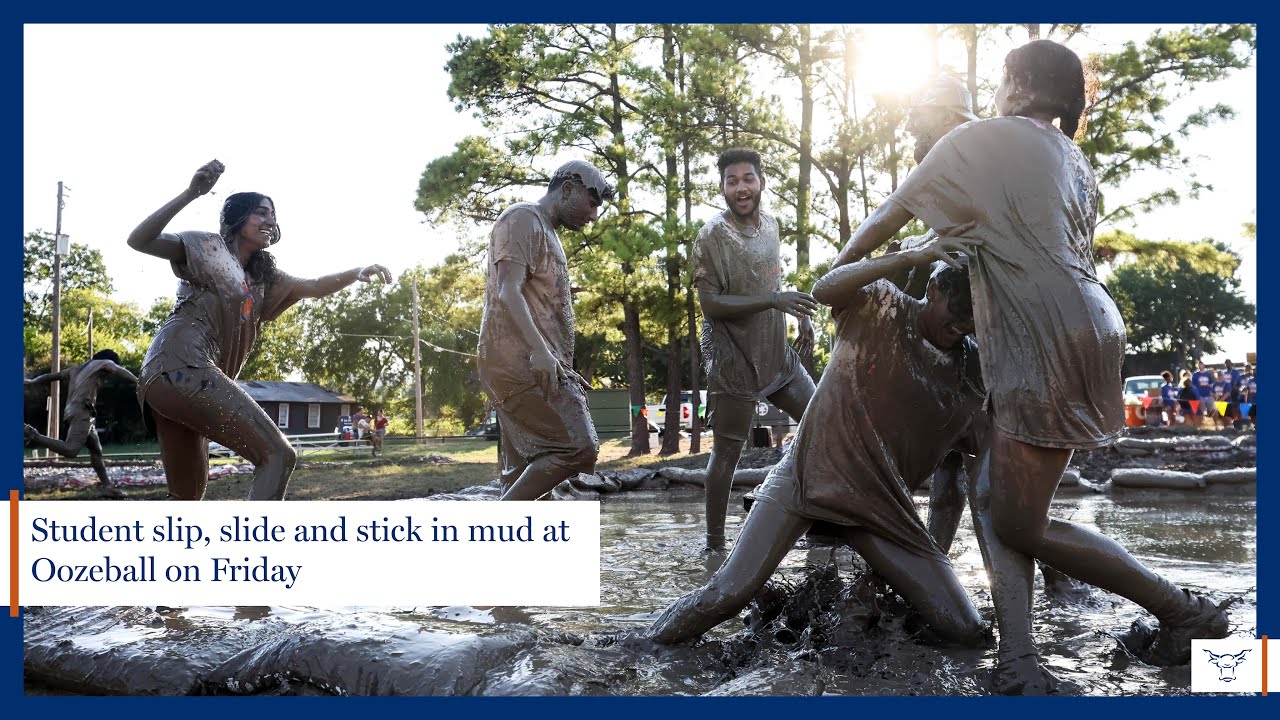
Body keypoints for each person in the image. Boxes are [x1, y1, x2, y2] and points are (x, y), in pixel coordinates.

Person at [823, 40, 1228, 692]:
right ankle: (1020, 662)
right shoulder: (1075, 159)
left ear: (1013, 85)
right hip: (1095, 330)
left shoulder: (972, 143)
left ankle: (1184, 612)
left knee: (1016, 518)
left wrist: (883, 260)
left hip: (1035, 340)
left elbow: (861, 241)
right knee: (1000, 499)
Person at [650, 242, 988, 648]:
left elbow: (954, 488)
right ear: (933, 290)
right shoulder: (881, 305)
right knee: (726, 595)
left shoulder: (974, 371)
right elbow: (825, 288)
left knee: (965, 629)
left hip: (882, 506)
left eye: (975, 318)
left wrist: (927, 561)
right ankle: (634, 647)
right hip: (805, 475)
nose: (963, 326)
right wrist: (905, 258)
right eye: (956, 314)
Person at [127, 160, 392, 500]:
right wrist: (191, 193)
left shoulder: (264, 280)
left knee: (187, 498)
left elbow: (312, 285)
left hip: (174, 380)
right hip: (181, 364)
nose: (271, 221)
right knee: (278, 455)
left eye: (274, 215)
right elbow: (140, 240)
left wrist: (357, 271)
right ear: (238, 219)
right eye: (262, 213)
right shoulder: (207, 247)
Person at [693, 148, 818, 551]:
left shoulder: (772, 225)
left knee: (821, 424)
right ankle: (714, 547)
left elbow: (772, 283)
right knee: (727, 453)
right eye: (732, 181)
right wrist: (773, 301)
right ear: (722, 188)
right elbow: (710, 305)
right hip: (733, 360)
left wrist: (801, 314)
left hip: (778, 355)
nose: (741, 188)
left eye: (748, 179)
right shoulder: (712, 235)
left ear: (761, 182)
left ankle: (811, 514)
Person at [477, 160, 613, 501]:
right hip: (518, 363)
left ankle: (512, 545)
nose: (594, 215)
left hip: (535, 363)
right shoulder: (523, 219)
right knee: (579, 448)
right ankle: (491, 532)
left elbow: (540, 307)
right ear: (567, 189)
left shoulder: (547, 232)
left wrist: (562, 366)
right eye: (592, 202)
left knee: (522, 471)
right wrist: (540, 351)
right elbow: (508, 291)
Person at [24, 349, 138, 491]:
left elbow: (52, 376)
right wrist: (138, 382)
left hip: (75, 411)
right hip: (82, 411)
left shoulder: (77, 368)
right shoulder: (103, 362)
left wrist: (33, 381)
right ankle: (33, 435)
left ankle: (106, 485)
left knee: (96, 450)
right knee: (71, 450)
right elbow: (115, 368)